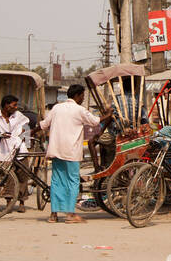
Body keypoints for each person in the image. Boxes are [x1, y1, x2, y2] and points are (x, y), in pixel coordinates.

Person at [36, 84, 113, 223]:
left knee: (56, 181)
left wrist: (33, 131)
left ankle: (53, 214)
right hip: (71, 152)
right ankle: (70, 214)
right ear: (77, 96)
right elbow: (95, 121)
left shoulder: (57, 108)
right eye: (83, 96)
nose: (83, 99)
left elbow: (44, 124)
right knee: (73, 182)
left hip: (56, 150)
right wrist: (107, 115)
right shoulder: (79, 110)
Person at [0, 95, 31, 212]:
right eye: (14, 105)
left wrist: (24, 132)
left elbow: (26, 124)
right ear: (6, 106)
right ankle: (9, 202)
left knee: (22, 176)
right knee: (8, 178)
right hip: (5, 150)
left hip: (20, 149)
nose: (16, 107)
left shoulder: (18, 116)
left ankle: (21, 202)